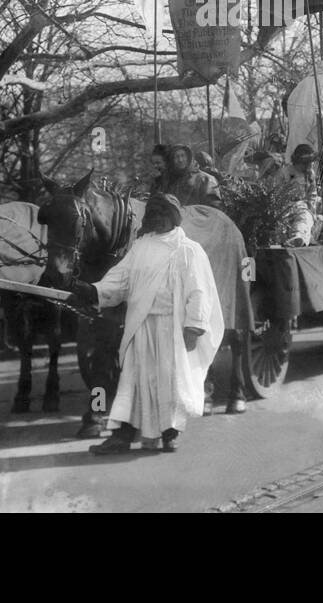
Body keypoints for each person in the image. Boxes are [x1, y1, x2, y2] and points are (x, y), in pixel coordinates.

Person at [70, 194, 223, 455]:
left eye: (165, 214)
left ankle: (169, 434)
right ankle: (122, 436)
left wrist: (194, 326)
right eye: (155, 214)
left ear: (174, 217)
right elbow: (119, 280)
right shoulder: (140, 247)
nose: (160, 219)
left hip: (171, 329)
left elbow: (200, 291)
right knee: (132, 381)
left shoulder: (188, 250)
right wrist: (93, 290)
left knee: (168, 383)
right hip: (140, 326)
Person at [163, 144, 223, 209]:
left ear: (189, 157)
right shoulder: (169, 181)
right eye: (176, 157)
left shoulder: (205, 179)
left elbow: (214, 207)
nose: (180, 160)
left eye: (183, 156)